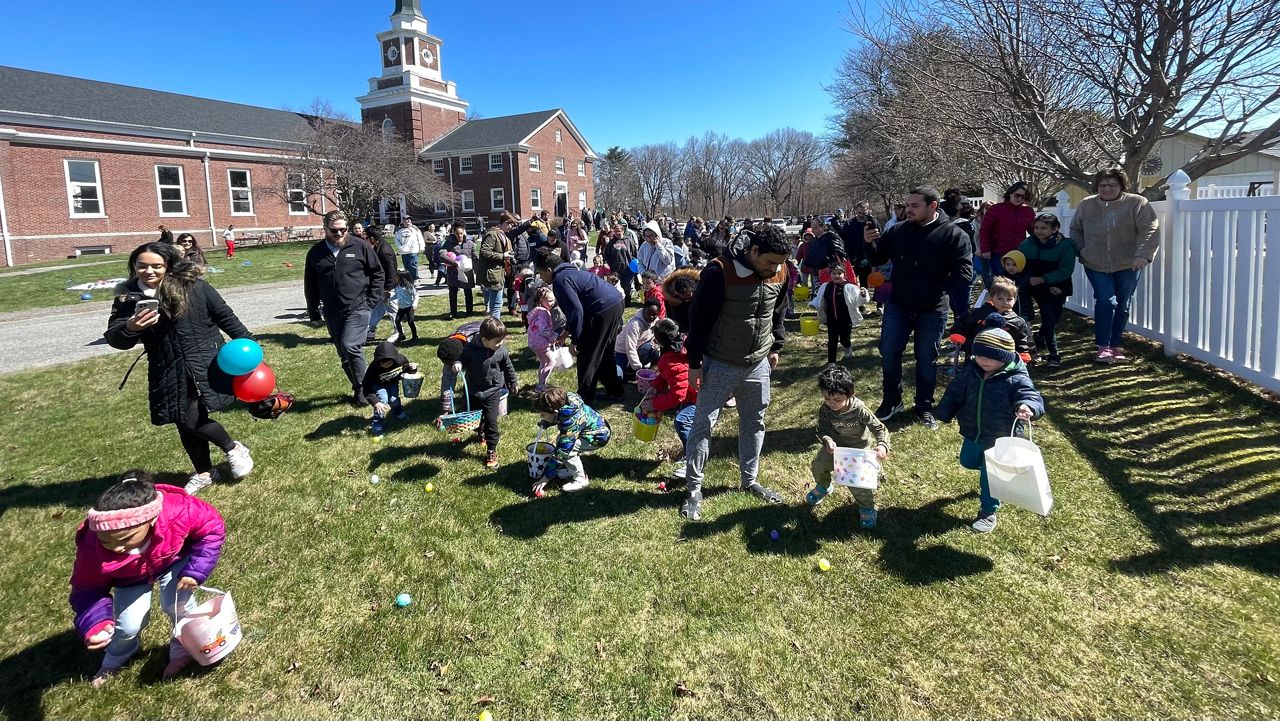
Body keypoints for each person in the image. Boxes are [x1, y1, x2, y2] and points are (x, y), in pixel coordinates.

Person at [105, 242, 255, 494]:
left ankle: (232, 448)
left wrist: (250, 346)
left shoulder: (194, 286)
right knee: (182, 420)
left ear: (169, 266)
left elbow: (225, 317)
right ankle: (205, 472)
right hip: (167, 366)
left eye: (156, 266)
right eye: (142, 266)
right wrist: (131, 328)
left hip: (205, 361)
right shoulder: (129, 297)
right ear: (134, 267)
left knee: (191, 420)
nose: (148, 272)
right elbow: (115, 337)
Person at [70, 470, 226, 686]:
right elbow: (86, 588)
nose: (116, 547)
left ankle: (183, 650)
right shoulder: (91, 544)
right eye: (106, 542)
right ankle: (116, 657)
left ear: (152, 520)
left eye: (125, 539)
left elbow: (212, 529)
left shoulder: (180, 509)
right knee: (129, 625)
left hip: (174, 560)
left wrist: (195, 570)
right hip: (130, 577)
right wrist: (95, 622)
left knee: (179, 606)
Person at [680, 225, 792, 520]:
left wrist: (775, 346)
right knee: (703, 424)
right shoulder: (719, 272)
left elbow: (779, 310)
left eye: (780, 262)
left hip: (758, 364)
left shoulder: (781, 270)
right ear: (753, 251)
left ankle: (750, 480)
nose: (775, 268)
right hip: (720, 362)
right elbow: (699, 319)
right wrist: (694, 363)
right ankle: (694, 489)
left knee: (754, 421)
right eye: (769, 261)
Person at [862, 186, 974, 429]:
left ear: (932, 206)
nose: (908, 210)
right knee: (889, 352)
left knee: (927, 358)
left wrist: (935, 287)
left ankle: (923, 406)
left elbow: (965, 273)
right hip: (899, 305)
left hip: (932, 309)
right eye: (907, 205)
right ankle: (892, 400)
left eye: (915, 206)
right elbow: (877, 259)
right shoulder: (898, 230)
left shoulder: (953, 234)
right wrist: (869, 243)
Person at [935, 317, 1045, 533]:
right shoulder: (972, 371)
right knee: (967, 461)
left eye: (990, 357)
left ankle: (988, 511)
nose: (983, 360)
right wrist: (944, 412)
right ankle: (991, 476)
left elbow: (1030, 395)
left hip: (1000, 437)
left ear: (1004, 358)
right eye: (979, 355)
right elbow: (955, 392)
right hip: (974, 432)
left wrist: (1028, 406)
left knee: (990, 474)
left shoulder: (1016, 377)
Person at [1069, 167, 1160, 364]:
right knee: (1105, 300)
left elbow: (1150, 227)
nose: (1107, 189)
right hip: (1095, 262)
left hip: (1129, 263)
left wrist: (1143, 254)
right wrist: (1082, 249)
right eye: (1103, 185)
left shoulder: (1137, 203)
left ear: (1121, 186)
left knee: (1123, 303)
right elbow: (1076, 228)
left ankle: (1115, 345)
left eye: (1112, 185)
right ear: (1096, 187)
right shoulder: (1086, 205)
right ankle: (1102, 346)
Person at [304, 210, 385, 407]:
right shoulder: (316, 253)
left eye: (343, 230)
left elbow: (377, 273)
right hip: (332, 310)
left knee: (351, 345)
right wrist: (313, 311)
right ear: (325, 229)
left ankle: (365, 389)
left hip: (358, 307)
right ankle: (359, 388)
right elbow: (310, 284)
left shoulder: (360, 246)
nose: (340, 234)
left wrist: (371, 301)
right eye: (335, 231)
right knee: (343, 352)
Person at [534, 246, 625, 405]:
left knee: (587, 356)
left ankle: (584, 399)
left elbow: (576, 311)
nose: (541, 278)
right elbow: (576, 309)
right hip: (615, 302)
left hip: (603, 310)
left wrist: (576, 341)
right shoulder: (570, 272)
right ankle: (615, 390)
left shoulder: (560, 281)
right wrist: (568, 331)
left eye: (541, 273)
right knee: (604, 350)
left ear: (549, 270)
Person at [805, 364, 890, 529]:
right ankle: (824, 486)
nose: (831, 403)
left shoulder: (859, 410)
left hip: (859, 452)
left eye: (837, 400)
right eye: (827, 398)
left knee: (857, 483)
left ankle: (866, 507)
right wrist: (827, 439)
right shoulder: (825, 410)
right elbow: (822, 429)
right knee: (819, 465)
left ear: (850, 394)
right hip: (837, 449)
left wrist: (882, 445)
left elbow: (879, 428)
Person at [640, 318, 698, 480]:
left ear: (659, 341)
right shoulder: (676, 348)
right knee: (688, 422)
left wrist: (655, 404)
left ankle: (692, 459)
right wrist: (656, 386)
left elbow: (678, 394)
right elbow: (667, 376)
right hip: (691, 393)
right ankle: (692, 449)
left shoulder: (674, 360)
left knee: (682, 422)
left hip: (699, 396)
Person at [1018, 213, 1078, 367]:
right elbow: (1019, 264)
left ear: (1055, 228)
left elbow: (1066, 269)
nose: (1039, 231)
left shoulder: (1065, 245)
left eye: (1044, 228)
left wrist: (1045, 279)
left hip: (1056, 285)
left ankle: (1040, 337)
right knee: (1047, 318)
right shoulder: (1026, 244)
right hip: (1032, 284)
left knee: (1054, 316)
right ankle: (1054, 354)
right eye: (1036, 227)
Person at [457, 317, 518, 469]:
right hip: (474, 391)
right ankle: (480, 430)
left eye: (502, 341)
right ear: (484, 340)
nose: (501, 344)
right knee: (476, 418)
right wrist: (458, 364)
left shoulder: (500, 351)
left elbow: (508, 367)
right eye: (497, 342)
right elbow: (462, 358)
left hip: (493, 391)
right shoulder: (471, 349)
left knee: (492, 421)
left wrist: (513, 383)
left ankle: (491, 449)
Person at [531, 387, 612, 495]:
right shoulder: (567, 405)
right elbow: (560, 418)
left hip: (598, 437)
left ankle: (580, 479)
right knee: (562, 441)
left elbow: (562, 452)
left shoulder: (570, 422)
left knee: (569, 449)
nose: (542, 417)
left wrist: (546, 477)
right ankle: (571, 469)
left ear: (554, 412)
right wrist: (548, 422)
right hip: (597, 428)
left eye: (543, 414)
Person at [950, 276, 1034, 363]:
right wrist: (959, 333)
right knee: (972, 374)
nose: (1005, 302)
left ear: (1015, 299)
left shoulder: (1018, 322)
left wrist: (1022, 352)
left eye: (1009, 299)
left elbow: (1021, 340)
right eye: (1000, 298)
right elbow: (962, 321)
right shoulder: (980, 312)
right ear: (992, 298)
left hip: (1002, 358)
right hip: (976, 354)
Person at [979, 182, 1036, 281]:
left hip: (1019, 253)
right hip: (998, 253)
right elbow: (985, 230)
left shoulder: (1028, 211)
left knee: (1018, 283)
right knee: (1001, 283)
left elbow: (1033, 231)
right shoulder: (995, 209)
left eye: (1023, 197)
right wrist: (985, 249)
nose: (1020, 199)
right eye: (1017, 195)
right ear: (1010, 193)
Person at [361, 340, 419, 435]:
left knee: (394, 400)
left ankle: (398, 412)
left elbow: (405, 371)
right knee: (383, 400)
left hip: (392, 383)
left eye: (388, 364)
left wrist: (412, 369)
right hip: (378, 384)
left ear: (394, 359)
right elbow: (366, 387)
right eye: (383, 365)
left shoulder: (400, 360)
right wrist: (375, 402)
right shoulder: (373, 369)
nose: (385, 367)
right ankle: (377, 422)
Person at [814, 261, 866, 363]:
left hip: (846, 319)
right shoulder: (825, 287)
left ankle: (848, 347)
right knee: (832, 341)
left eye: (839, 273)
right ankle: (831, 362)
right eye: (834, 273)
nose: (836, 275)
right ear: (830, 275)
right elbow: (819, 299)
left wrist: (863, 295)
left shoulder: (849, 287)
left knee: (844, 339)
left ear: (844, 275)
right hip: (831, 319)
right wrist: (814, 306)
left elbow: (858, 301)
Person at [477, 212, 516, 320]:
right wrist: (502, 255)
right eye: (510, 224)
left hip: (500, 273)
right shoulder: (492, 234)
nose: (511, 227)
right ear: (504, 223)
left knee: (496, 304)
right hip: (493, 274)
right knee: (497, 305)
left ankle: (493, 330)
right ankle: (495, 332)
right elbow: (484, 252)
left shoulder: (503, 235)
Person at [364, 224, 398, 344]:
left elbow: (391, 271)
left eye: (366, 238)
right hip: (380, 286)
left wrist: (388, 289)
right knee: (377, 308)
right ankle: (371, 331)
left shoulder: (384, 250)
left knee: (392, 309)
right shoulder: (376, 246)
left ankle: (398, 331)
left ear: (372, 238)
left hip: (388, 286)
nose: (365, 240)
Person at [615, 299, 661, 382]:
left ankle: (648, 372)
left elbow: (655, 340)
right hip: (622, 352)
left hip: (639, 348)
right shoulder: (635, 324)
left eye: (654, 314)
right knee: (618, 376)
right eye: (648, 313)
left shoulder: (656, 321)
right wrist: (637, 367)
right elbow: (630, 347)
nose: (651, 317)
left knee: (653, 350)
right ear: (644, 310)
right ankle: (628, 370)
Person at [527, 287, 562, 393]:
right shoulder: (544, 313)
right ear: (542, 301)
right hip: (541, 343)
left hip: (533, 342)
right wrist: (554, 336)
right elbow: (543, 330)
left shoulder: (536, 311)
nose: (552, 303)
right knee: (551, 362)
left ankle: (542, 383)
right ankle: (541, 385)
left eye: (553, 300)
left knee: (543, 362)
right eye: (549, 301)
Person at [442, 223, 476, 320]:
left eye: (461, 233)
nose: (460, 235)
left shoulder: (470, 243)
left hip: (467, 271)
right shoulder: (448, 243)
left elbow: (475, 257)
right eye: (457, 233)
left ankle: (469, 312)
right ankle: (454, 313)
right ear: (454, 233)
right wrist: (453, 262)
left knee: (468, 292)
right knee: (453, 292)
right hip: (453, 272)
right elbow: (442, 255)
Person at [603, 226, 637, 304]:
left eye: (619, 231)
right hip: (616, 269)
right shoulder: (611, 243)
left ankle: (627, 302)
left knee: (626, 286)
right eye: (615, 231)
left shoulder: (628, 240)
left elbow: (635, 253)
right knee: (616, 286)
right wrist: (607, 264)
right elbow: (607, 255)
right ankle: (618, 302)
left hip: (628, 268)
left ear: (623, 231)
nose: (617, 233)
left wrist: (635, 264)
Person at [662, 268, 700, 335]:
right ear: (677, 294)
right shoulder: (672, 299)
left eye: (691, 296)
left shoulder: (700, 283)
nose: (689, 299)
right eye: (686, 298)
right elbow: (678, 324)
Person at [389, 271, 420, 344]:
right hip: (401, 307)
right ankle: (401, 335)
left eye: (396, 277)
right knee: (397, 321)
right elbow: (396, 295)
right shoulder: (397, 286)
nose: (395, 278)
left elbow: (416, 295)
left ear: (401, 277)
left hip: (409, 307)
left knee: (410, 322)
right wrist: (389, 296)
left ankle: (415, 337)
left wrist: (415, 304)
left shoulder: (408, 286)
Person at [394, 217, 425, 283]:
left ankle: (415, 278)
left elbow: (420, 239)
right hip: (404, 251)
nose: (407, 221)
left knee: (413, 264)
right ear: (403, 221)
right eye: (405, 219)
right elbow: (397, 241)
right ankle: (409, 279)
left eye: (409, 219)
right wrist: (401, 248)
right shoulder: (399, 231)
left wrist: (421, 247)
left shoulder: (415, 229)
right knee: (407, 266)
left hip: (413, 250)